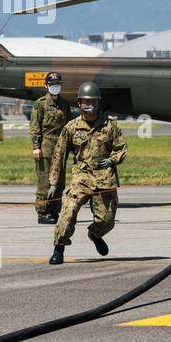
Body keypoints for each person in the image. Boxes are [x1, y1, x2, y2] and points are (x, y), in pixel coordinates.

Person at [47, 82, 127, 265]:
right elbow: (59, 155)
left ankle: (95, 234)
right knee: (68, 212)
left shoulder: (110, 125)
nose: (88, 104)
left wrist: (113, 160)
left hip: (104, 177)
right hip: (81, 177)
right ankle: (59, 248)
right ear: (79, 103)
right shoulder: (71, 127)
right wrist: (53, 183)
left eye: (92, 101)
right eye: (84, 101)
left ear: (98, 103)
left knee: (107, 220)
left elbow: (121, 148)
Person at [29, 71, 69, 224]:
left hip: (61, 149)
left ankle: (54, 211)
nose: (55, 87)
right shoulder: (41, 104)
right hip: (45, 148)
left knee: (59, 183)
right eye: (52, 85)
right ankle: (43, 212)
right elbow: (34, 127)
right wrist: (35, 146)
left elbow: (69, 127)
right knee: (44, 182)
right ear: (46, 86)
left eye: (57, 84)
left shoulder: (64, 105)